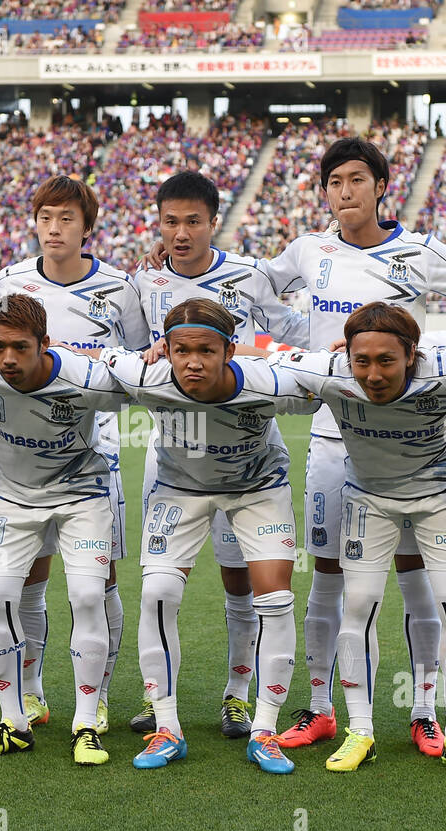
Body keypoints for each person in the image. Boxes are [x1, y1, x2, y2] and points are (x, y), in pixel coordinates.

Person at [254, 137, 446, 753]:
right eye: (334, 180)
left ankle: (424, 712)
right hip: (333, 436)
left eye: (357, 179)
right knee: (331, 576)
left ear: (381, 186)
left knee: (416, 577)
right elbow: (254, 293)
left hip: (409, 441)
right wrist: (302, 343)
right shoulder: (308, 251)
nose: (345, 190)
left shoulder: (418, 251)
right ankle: (320, 708)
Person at [277, 303, 446, 775]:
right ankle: (360, 731)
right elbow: (250, 366)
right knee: (359, 605)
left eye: (386, 360)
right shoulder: (329, 373)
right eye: (361, 361)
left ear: (411, 355)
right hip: (369, 501)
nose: (373, 374)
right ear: (345, 355)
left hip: (441, 500)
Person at [100, 299, 321, 774]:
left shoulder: (270, 384)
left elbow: (328, 378)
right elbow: (87, 356)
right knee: (157, 593)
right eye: (181, 350)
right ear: (165, 348)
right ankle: (167, 729)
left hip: (257, 491)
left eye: (206, 350)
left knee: (275, 599)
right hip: (179, 490)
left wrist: (341, 352)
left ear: (229, 350)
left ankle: (264, 730)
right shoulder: (145, 376)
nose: (193, 362)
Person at [130, 170, 311, 739]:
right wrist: (154, 349)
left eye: (193, 221)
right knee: (159, 588)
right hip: (175, 462)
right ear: (157, 225)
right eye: (170, 222)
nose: (181, 233)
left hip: (248, 461)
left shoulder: (249, 277)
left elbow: (290, 340)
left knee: (242, 583)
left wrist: (247, 350)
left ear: (214, 222)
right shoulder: (145, 282)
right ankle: (159, 702)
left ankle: (238, 694)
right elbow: (129, 354)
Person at [0, 294, 129, 765]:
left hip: (82, 500)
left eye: (20, 348)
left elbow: (146, 381)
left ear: (45, 344)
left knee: (89, 596)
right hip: (13, 501)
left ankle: (86, 724)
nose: (8, 359)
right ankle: (13, 723)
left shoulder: (85, 378)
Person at [0, 175, 150, 734]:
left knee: (98, 583)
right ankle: (31, 694)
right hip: (25, 459)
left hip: (95, 455)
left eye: (66, 219)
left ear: (87, 227)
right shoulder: (10, 283)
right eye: (45, 217)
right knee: (29, 578)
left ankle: (96, 696)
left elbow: (135, 364)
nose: (54, 229)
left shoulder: (118, 288)